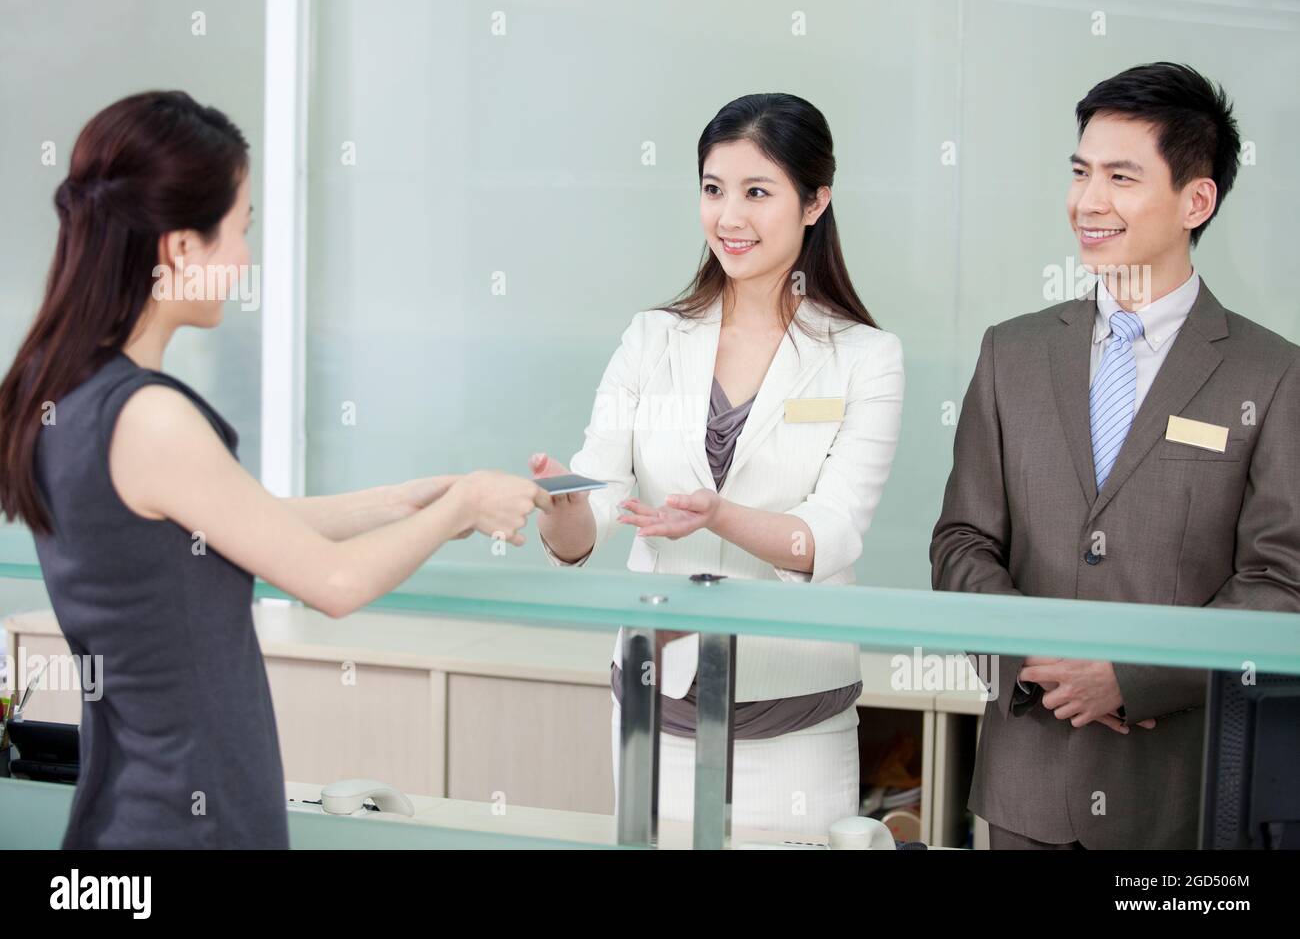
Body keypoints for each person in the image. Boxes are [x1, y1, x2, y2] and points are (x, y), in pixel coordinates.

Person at [0, 91, 551, 848]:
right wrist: (463, 509)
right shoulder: (150, 418)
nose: (245, 259)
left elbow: (229, 528)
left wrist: (406, 501)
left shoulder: (67, 394)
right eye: (240, 229)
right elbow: (332, 584)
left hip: (127, 819)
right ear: (181, 248)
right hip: (187, 819)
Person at [931, 62, 1300, 849]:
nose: (1087, 202)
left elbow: (1279, 583)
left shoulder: (1273, 375)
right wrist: (1031, 657)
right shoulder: (1013, 353)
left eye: (1121, 177)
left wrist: (1133, 677)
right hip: (1025, 793)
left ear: (1195, 200)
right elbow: (961, 542)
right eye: (1080, 172)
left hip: (1180, 802)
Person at [531, 93, 905, 835]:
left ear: (815, 201)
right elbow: (595, 504)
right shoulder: (653, 339)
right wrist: (564, 506)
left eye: (757, 192)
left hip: (795, 718)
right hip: (655, 701)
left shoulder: (867, 357)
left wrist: (722, 516)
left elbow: (831, 536)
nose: (728, 217)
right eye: (713, 189)